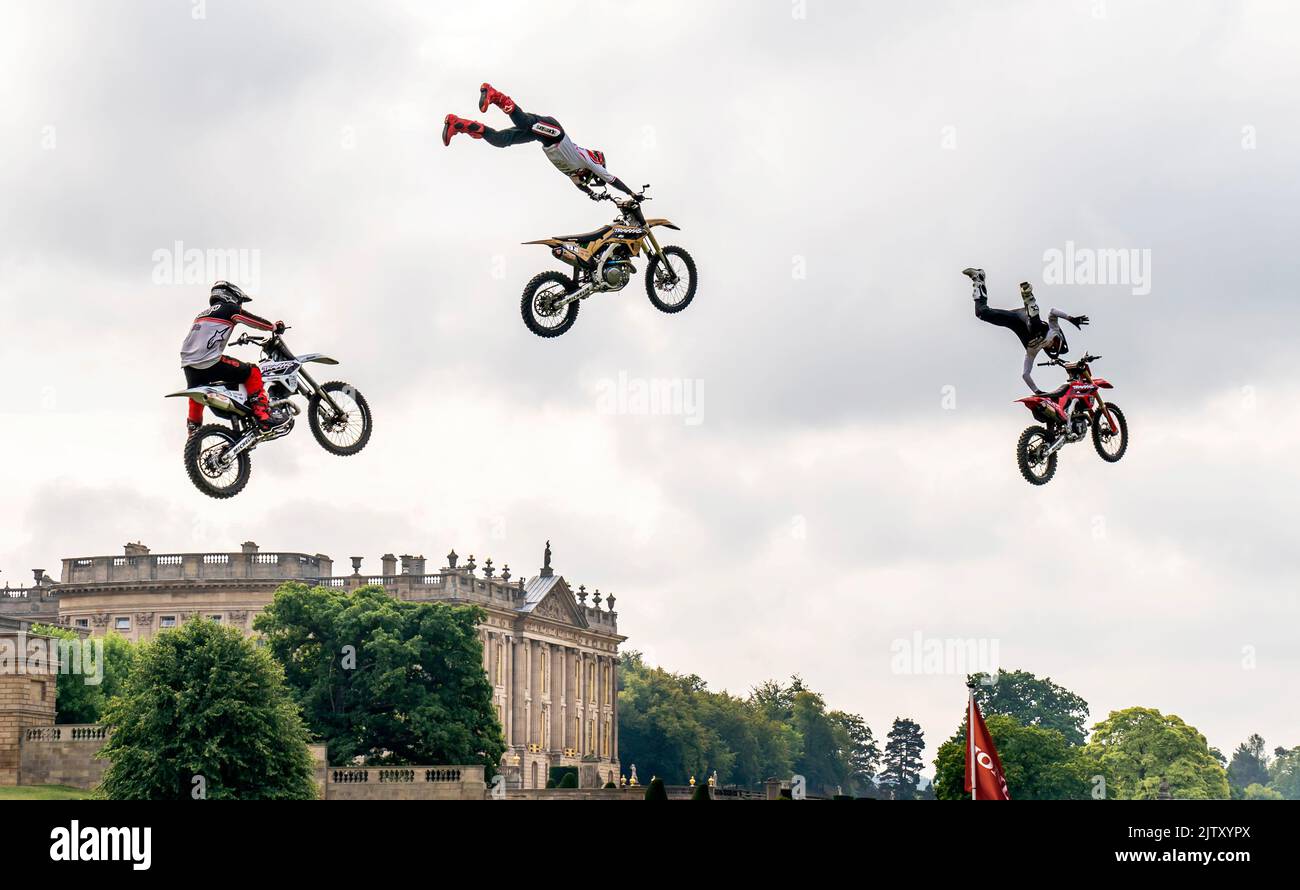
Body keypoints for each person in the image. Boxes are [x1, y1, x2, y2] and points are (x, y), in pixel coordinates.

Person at [442, 83, 641, 201]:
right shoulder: (588, 160)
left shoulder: (575, 174)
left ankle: (459, 124)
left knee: (500, 141)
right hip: (555, 133)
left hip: (543, 139)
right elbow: (612, 179)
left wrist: (592, 194)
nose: (589, 178)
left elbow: (580, 185)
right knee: (524, 123)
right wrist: (631, 193)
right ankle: (495, 95)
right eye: (592, 177)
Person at [179, 281, 289, 437]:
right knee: (252, 371)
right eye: (239, 301)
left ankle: (194, 433)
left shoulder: (201, 315)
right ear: (230, 296)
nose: (240, 305)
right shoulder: (230, 308)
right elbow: (256, 322)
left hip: (189, 364)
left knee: (195, 397)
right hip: (209, 362)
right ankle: (262, 414)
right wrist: (274, 327)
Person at [963, 268, 1090, 394]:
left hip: (1015, 320)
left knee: (982, 313)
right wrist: (1071, 318)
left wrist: (1037, 391)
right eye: (1055, 343)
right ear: (1060, 339)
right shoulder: (1054, 330)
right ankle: (1029, 298)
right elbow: (1052, 311)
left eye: (1052, 347)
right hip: (1027, 316)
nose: (1052, 345)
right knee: (1034, 326)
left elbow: (1025, 374)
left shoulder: (1032, 352)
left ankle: (979, 278)